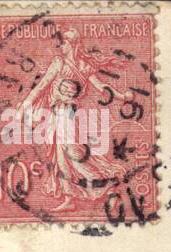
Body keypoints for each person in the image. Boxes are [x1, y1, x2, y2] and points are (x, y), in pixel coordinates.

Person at [15, 28, 129, 210]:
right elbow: (42, 86)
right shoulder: (58, 63)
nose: (61, 46)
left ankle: (108, 187)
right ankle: (70, 198)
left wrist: (122, 96)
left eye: (65, 42)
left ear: (73, 44)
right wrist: (24, 106)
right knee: (63, 157)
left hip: (67, 115)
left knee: (74, 154)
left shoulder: (83, 66)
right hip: (56, 116)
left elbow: (101, 87)